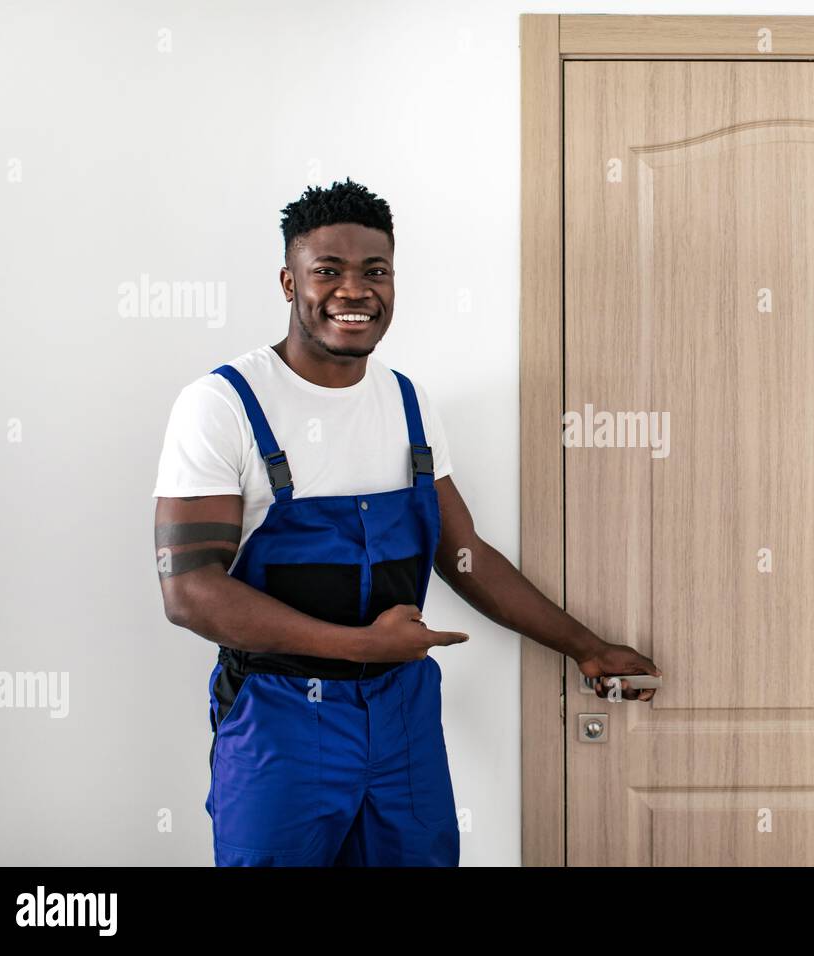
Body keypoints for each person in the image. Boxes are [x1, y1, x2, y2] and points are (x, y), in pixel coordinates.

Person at [152, 178, 661, 866]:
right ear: (287, 280)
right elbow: (188, 592)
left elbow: (464, 554)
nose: (354, 291)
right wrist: (361, 646)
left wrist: (584, 646)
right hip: (279, 717)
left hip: (402, 714)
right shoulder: (224, 405)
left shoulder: (406, 401)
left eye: (375, 271)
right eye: (327, 270)